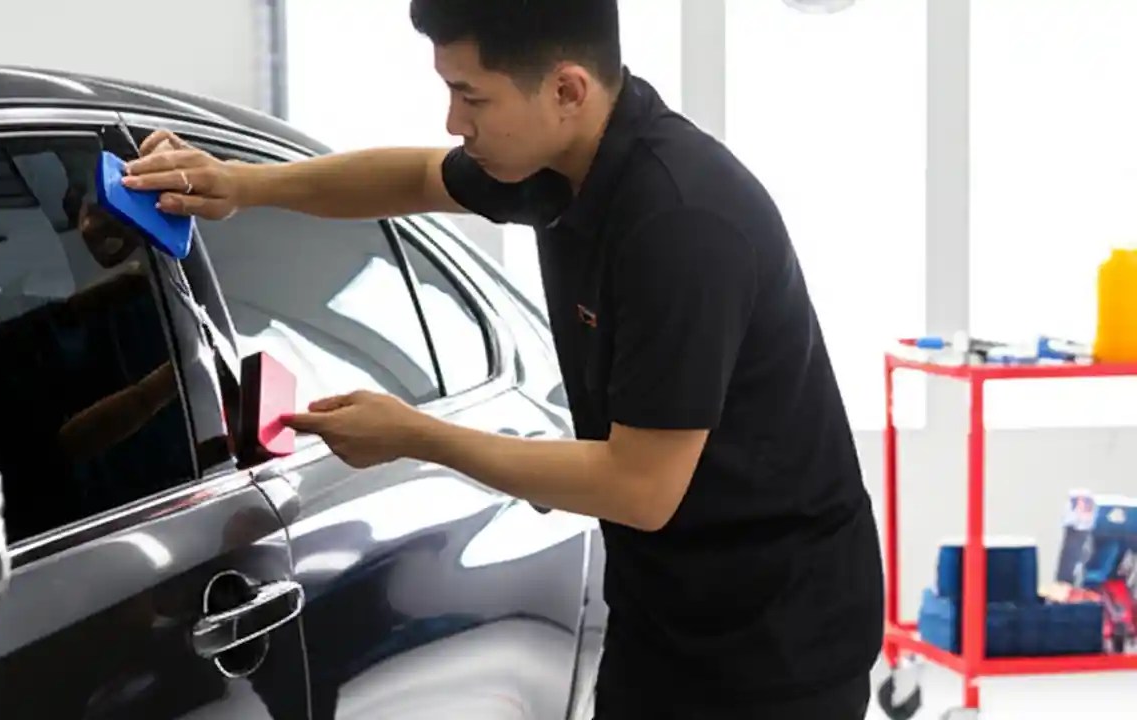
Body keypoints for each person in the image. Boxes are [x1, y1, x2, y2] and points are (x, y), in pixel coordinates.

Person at [121, 0, 884, 716]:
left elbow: (643, 485)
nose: (455, 121)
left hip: (778, 637)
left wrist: (415, 437)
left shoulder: (680, 225)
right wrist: (241, 186)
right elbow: (415, 176)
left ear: (566, 89)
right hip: (663, 606)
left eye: (471, 96)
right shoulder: (557, 167)